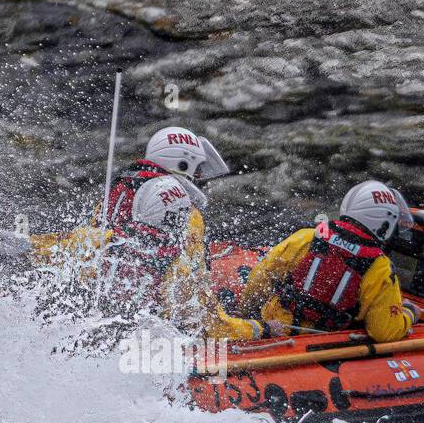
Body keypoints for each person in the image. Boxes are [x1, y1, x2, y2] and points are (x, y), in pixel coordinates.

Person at [31, 126, 265, 340]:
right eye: (198, 170)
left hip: (102, 309)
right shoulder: (185, 212)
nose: (200, 179)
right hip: (152, 322)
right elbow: (197, 305)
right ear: (183, 164)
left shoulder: (120, 191)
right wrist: (257, 329)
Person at [237, 180, 418, 342]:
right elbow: (383, 331)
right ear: (385, 223)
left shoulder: (308, 237)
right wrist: (410, 313)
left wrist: (245, 315)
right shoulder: (380, 267)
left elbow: (260, 277)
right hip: (322, 344)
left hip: (275, 331)